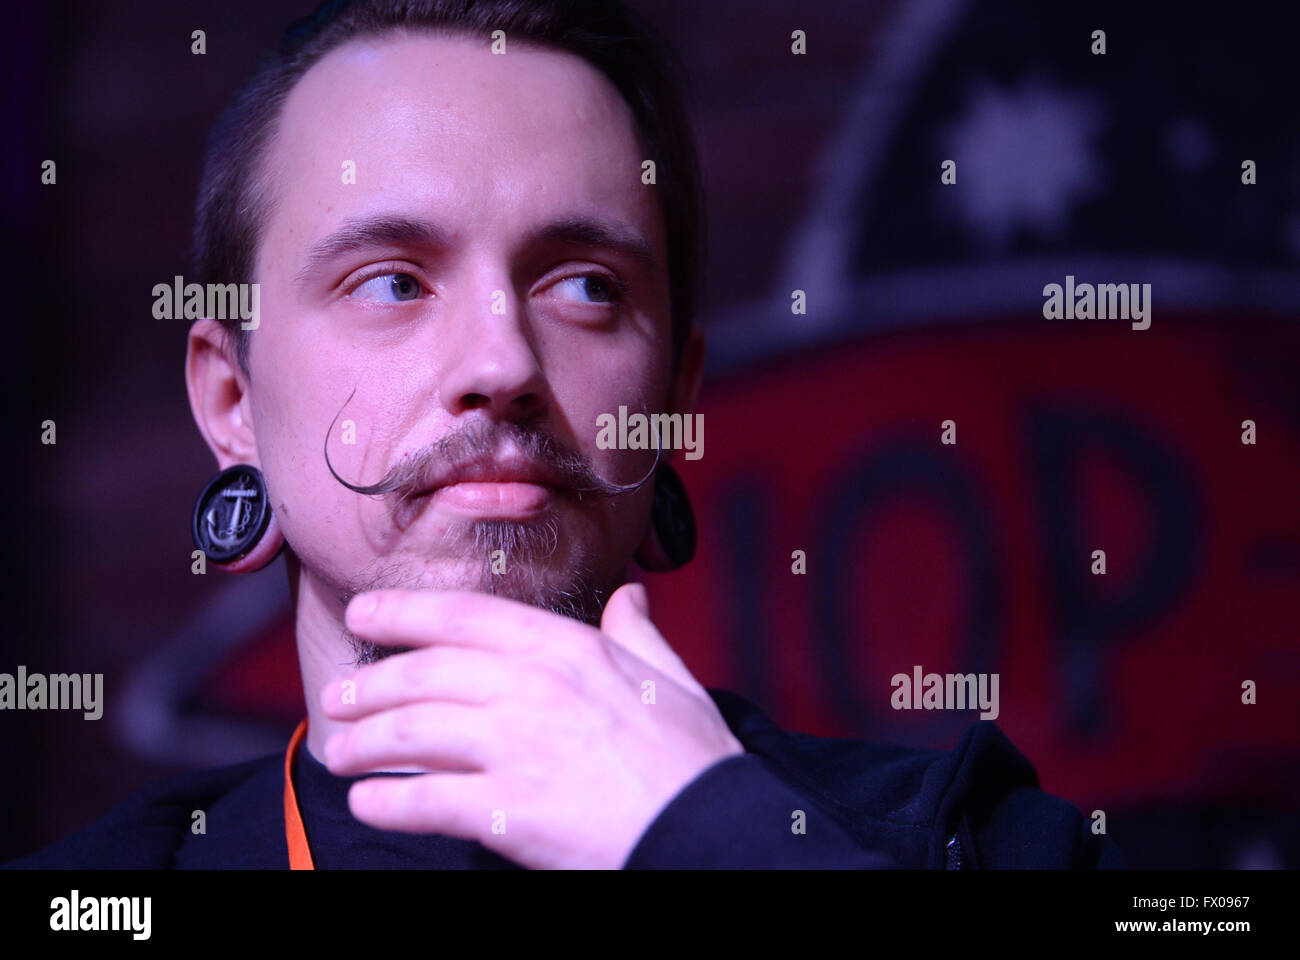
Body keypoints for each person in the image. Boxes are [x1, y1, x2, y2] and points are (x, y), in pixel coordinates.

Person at [6, 0, 1122, 870]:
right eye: (392, 280)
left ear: (676, 393)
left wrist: (706, 840)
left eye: (585, 284)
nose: (501, 364)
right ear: (231, 402)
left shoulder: (978, 845)